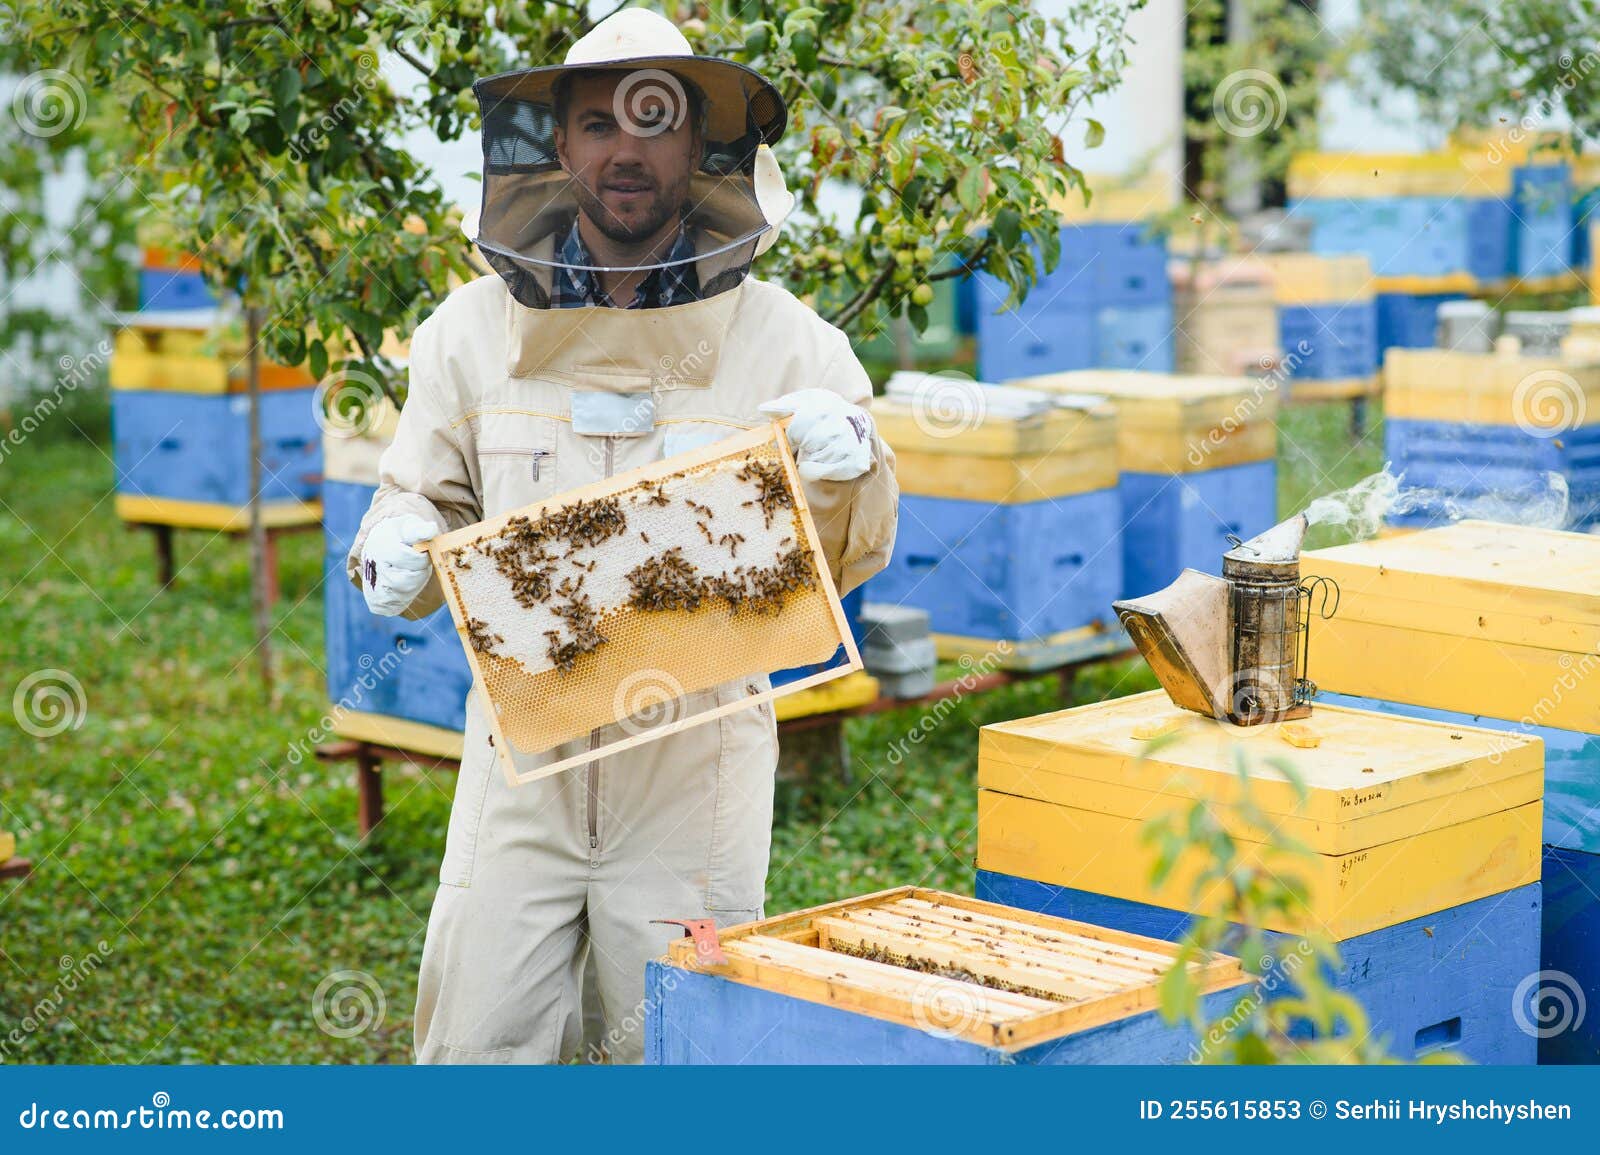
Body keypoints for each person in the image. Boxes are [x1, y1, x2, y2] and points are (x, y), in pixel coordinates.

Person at [348, 7, 898, 1064]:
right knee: (479, 1044)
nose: (626, 150)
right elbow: (418, 508)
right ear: (557, 148)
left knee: (682, 1057)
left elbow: (846, 554)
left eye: (655, 121)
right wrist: (396, 543)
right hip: (521, 769)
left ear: (702, 147)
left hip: (699, 772)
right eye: (597, 123)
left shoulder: (793, 343)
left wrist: (849, 467)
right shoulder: (464, 336)